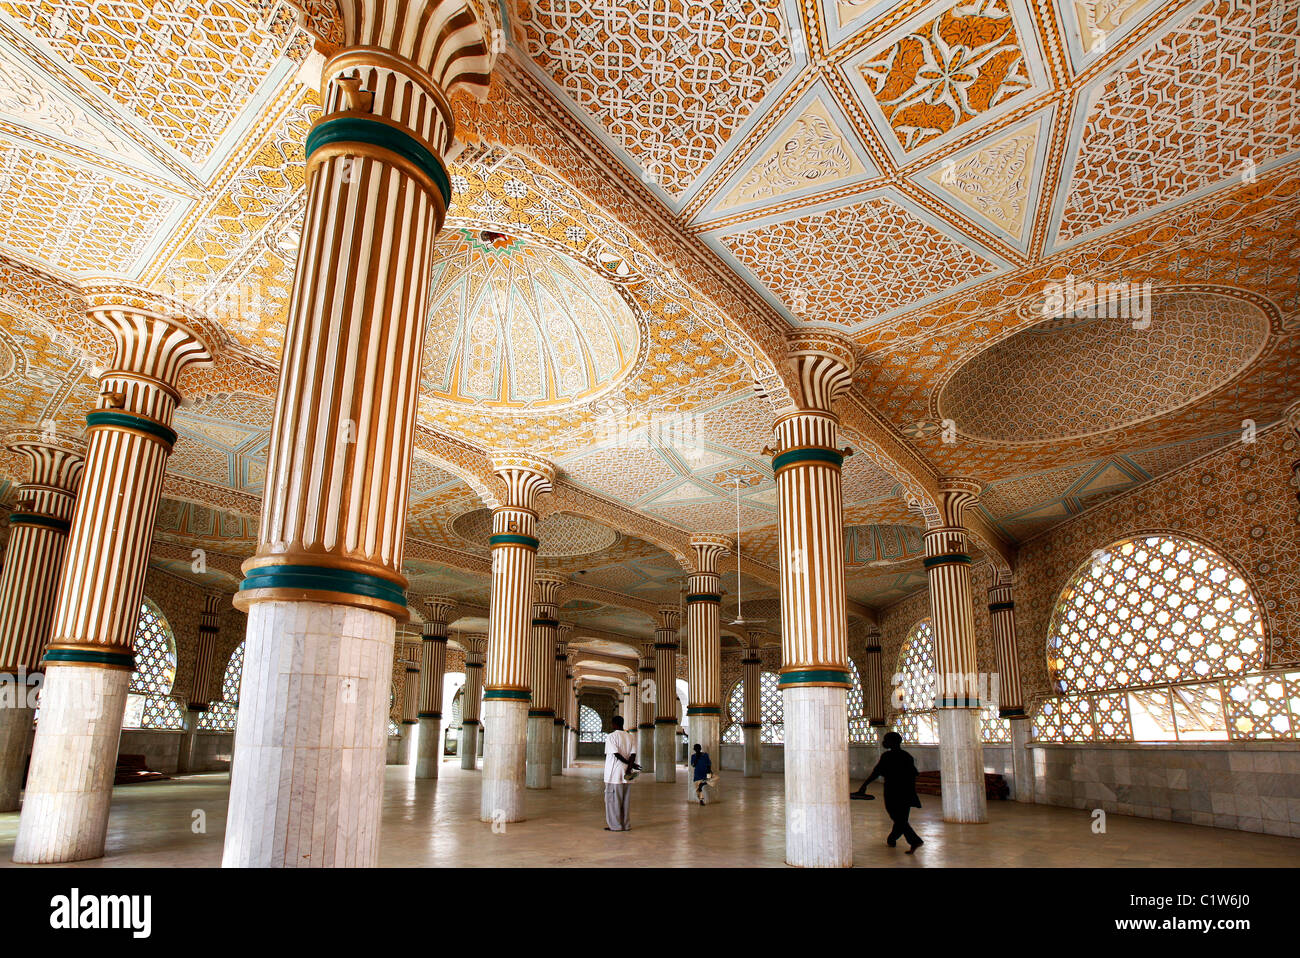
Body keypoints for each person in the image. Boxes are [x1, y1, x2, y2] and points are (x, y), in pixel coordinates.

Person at [855, 731, 924, 853]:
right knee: (901, 818)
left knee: (897, 817)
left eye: (886, 740)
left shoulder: (887, 756)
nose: (884, 742)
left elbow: (876, 772)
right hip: (906, 792)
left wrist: (864, 785)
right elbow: (913, 774)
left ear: (891, 742)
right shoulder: (907, 756)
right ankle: (892, 839)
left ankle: (914, 840)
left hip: (893, 792)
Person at [603, 715, 639, 831]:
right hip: (627, 774)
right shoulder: (630, 737)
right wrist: (630, 766)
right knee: (625, 801)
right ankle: (626, 824)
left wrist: (630, 765)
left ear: (614, 724)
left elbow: (616, 754)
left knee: (613, 800)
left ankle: (616, 826)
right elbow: (633, 754)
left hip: (614, 774)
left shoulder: (611, 736)